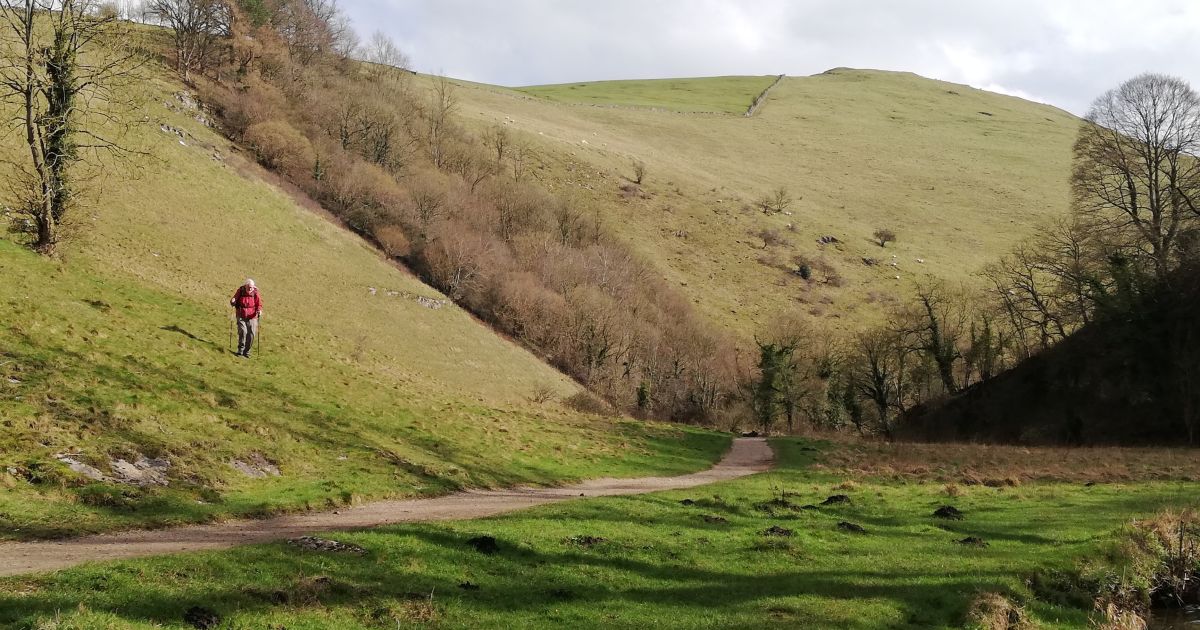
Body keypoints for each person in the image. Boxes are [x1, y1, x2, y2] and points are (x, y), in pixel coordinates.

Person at [229, 279, 263, 358]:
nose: (250, 289)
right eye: (249, 287)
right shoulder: (240, 291)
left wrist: (259, 311)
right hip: (241, 315)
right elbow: (234, 299)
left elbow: (259, 304)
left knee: (251, 334)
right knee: (243, 331)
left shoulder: (255, 293)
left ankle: (247, 352)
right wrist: (233, 301)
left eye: (252, 287)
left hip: (252, 316)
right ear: (245, 286)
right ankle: (240, 350)